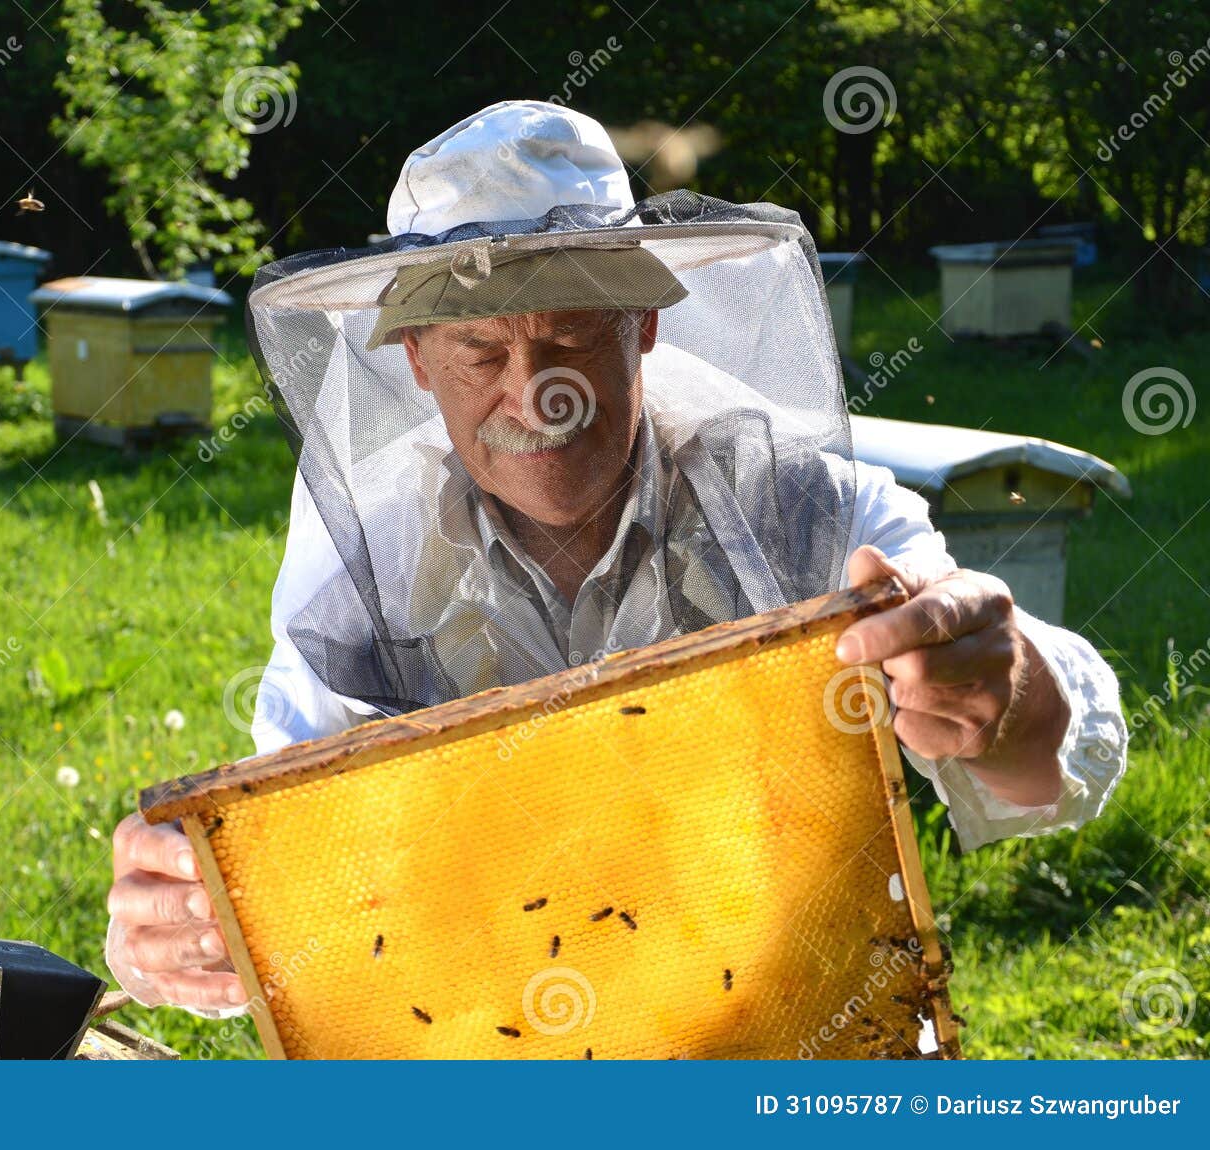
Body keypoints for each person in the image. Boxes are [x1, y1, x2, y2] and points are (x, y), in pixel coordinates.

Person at [107, 100, 1127, 1017]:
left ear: (641, 326)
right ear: (415, 360)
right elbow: (296, 868)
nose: (532, 396)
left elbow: (1056, 778)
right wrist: (184, 930)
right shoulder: (366, 557)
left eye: (569, 338)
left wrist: (1011, 686)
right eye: (478, 353)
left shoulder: (797, 497)